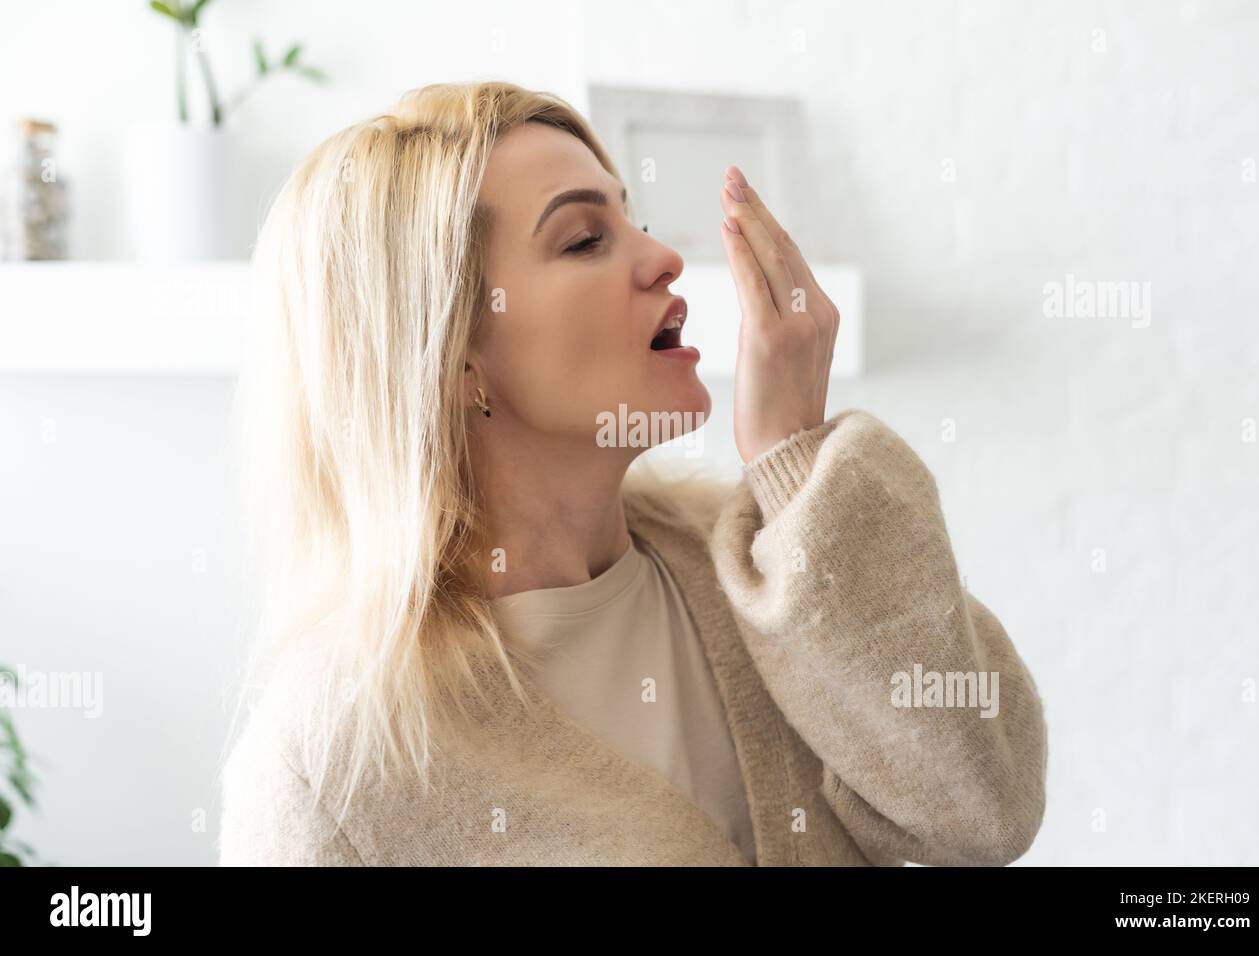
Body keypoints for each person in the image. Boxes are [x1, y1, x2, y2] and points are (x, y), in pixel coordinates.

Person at [218, 80, 1047, 866]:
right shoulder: (331, 763)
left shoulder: (763, 570)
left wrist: (796, 460)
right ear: (451, 357)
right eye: (584, 239)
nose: (662, 258)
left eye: (635, 221)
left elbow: (983, 809)